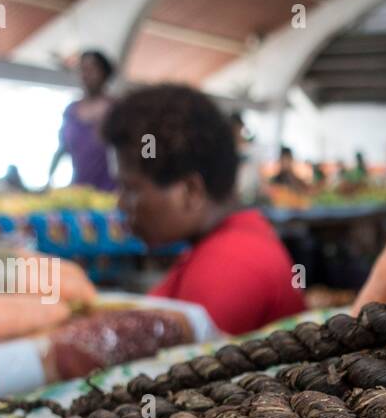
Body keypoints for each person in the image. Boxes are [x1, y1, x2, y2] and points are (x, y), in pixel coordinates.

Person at [103, 84, 302, 336]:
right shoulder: (235, 240)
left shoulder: (228, 267)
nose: (120, 203)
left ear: (190, 191)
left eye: (130, 188)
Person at [48, 50, 117, 191]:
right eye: (82, 70)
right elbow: (62, 148)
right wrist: (48, 180)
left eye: (92, 70)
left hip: (111, 191)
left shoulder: (117, 109)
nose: (86, 75)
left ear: (104, 73)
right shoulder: (71, 111)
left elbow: (142, 144)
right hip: (79, 190)